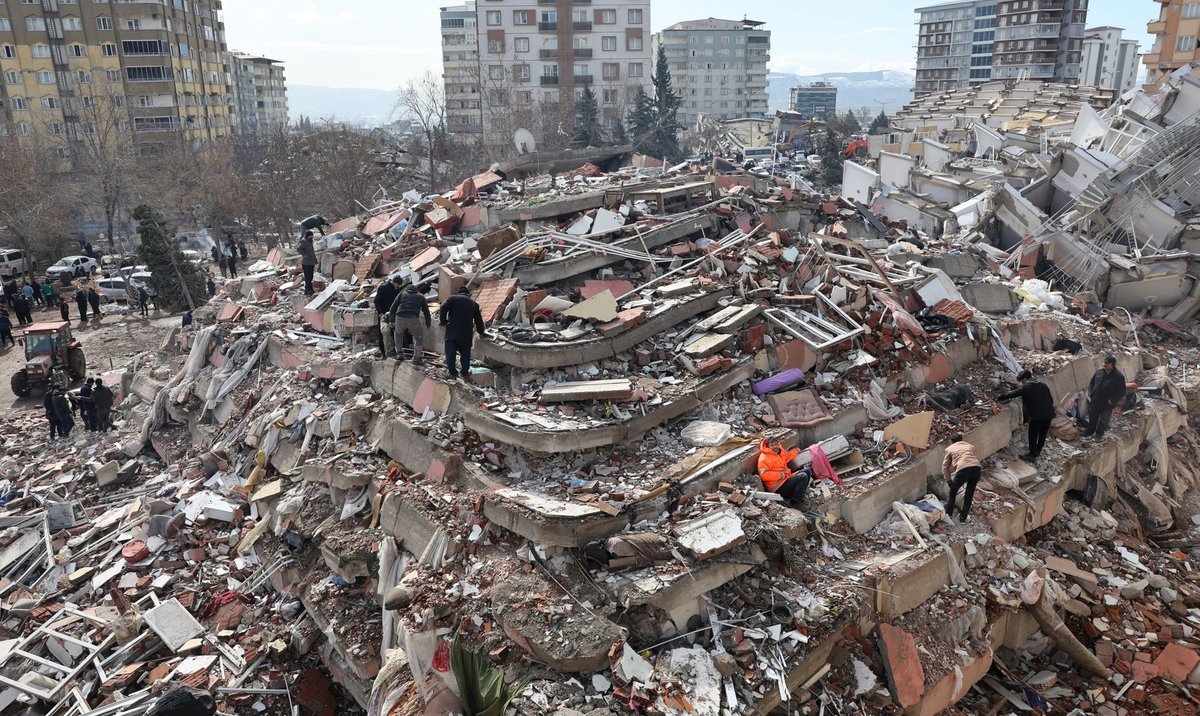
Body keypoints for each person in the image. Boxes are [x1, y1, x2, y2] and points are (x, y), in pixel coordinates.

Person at [998, 370, 1055, 461]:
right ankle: (1038, 450)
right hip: (1049, 414)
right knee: (1043, 433)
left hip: (1037, 416)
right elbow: (1051, 400)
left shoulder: (1027, 387)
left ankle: (1032, 455)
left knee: (1033, 434)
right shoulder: (1043, 385)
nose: (1022, 383)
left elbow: (1013, 394)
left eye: (1022, 381)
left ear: (1025, 378)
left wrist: (1000, 397)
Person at [439, 287, 486, 382]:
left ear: (459, 293)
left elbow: (443, 307)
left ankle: (452, 373)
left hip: (452, 332)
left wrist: (443, 321)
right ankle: (464, 373)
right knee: (465, 355)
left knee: (450, 353)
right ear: (468, 294)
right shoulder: (473, 304)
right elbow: (478, 320)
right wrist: (481, 331)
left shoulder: (452, 299)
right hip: (466, 334)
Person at [1083, 355, 1126, 440]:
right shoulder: (1099, 371)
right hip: (1096, 399)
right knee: (1093, 417)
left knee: (1104, 420)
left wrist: (1112, 400)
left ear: (1112, 364)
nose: (1104, 364)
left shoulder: (1118, 376)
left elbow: (1121, 391)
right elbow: (1092, 382)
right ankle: (1089, 431)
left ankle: (1099, 434)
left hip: (1107, 403)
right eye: (1104, 362)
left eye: (1107, 363)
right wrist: (1091, 392)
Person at [756, 439, 810, 506]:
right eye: (772, 445)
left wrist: (796, 450)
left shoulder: (779, 452)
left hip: (785, 479)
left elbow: (787, 456)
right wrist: (780, 475)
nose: (775, 446)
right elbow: (763, 475)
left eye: (776, 444)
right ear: (767, 446)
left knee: (807, 471)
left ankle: (797, 495)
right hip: (777, 486)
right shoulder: (764, 458)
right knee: (803, 476)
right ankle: (796, 502)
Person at [388, 283, 431, 366]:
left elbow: (393, 308)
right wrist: (428, 324)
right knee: (418, 338)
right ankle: (416, 359)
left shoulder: (402, 294)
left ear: (407, 289)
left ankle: (399, 353)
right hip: (413, 318)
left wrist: (391, 320)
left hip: (400, 317)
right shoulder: (420, 296)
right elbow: (426, 312)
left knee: (398, 334)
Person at [942, 434, 982, 522]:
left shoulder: (949, 449)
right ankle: (963, 517)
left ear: (952, 442)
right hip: (976, 469)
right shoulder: (970, 446)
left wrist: (949, 481)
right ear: (962, 439)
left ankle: (949, 514)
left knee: (953, 492)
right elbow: (972, 458)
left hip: (963, 469)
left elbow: (945, 467)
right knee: (969, 494)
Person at [373, 275, 402, 358]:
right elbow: (376, 301)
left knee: (394, 333)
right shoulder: (383, 288)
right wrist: (380, 313)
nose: (398, 287)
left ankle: (393, 351)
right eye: (398, 285)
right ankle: (383, 352)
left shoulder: (397, 290)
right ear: (394, 283)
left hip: (393, 314)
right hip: (384, 314)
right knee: (384, 333)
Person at [298, 230, 318, 296]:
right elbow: (298, 248)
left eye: (312, 236)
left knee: (310, 277)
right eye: (310, 236)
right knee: (308, 277)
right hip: (306, 263)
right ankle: (308, 290)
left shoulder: (310, 241)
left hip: (311, 262)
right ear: (307, 236)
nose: (311, 237)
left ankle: (309, 289)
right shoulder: (304, 241)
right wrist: (304, 254)